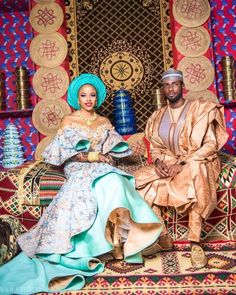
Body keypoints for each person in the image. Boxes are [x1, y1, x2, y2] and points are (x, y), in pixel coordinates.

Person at [0, 73, 162, 294]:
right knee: (97, 179)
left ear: (98, 98)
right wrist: (94, 157)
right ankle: (96, 244)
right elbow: (68, 153)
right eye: (84, 95)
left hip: (100, 165)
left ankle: (118, 241)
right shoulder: (69, 121)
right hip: (78, 167)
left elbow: (114, 150)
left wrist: (109, 156)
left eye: (92, 95)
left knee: (114, 180)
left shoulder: (104, 122)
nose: (88, 99)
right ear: (77, 97)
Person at [134, 68, 228, 269]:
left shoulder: (199, 109)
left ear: (182, 86)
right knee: (140, 180)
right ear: (163, 88)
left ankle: (195, 243)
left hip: (199, 160)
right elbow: (157, 148)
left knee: (196, 174)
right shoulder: (157, 116)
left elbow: (211, 144)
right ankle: (163, 238)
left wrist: (183, 163)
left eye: (175, 84)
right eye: (167, 85)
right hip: (169, 162)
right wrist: (159, 163)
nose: (171, 88)